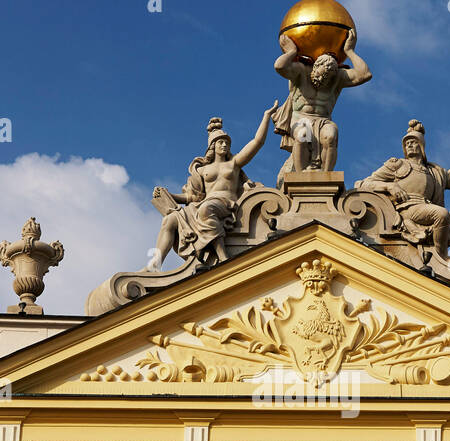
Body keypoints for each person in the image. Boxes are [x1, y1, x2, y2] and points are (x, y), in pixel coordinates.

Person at [147, 104, 277, 271]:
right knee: (169, 220)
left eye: (227, 143)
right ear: (213, 146)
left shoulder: (234, 164)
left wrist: (266, 116)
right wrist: (166, 194)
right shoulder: (201, 170)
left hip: (226, 204)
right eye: (221, 142)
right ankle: (154, 265)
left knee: (207, 208)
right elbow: (192, 198)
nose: (224, 145)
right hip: (203, 205)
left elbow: (257, 142)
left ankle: (223, 257)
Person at [356, 119, 450, 268]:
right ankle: (442, 259)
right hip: (407, 209)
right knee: (441, 215)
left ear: (421, 146)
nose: (409, 145)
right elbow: (363, 184)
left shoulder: (435, 172)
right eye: (406, 143)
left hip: (426, 208)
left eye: (413, 142)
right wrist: (389, 187)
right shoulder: (397, 164)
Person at [272, 28, 371, 186]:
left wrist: (349, 50)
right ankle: (300, 177)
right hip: (301, 119)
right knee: (302, 134)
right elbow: (279, 66)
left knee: (331, 135)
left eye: (328, 76)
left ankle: (326, 178)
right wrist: (292, 51)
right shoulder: (301, 71)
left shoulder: (336, 78)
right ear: (316, 66)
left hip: (323, 120)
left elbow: (365, 74)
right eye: (321, 73)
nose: (323, 78)